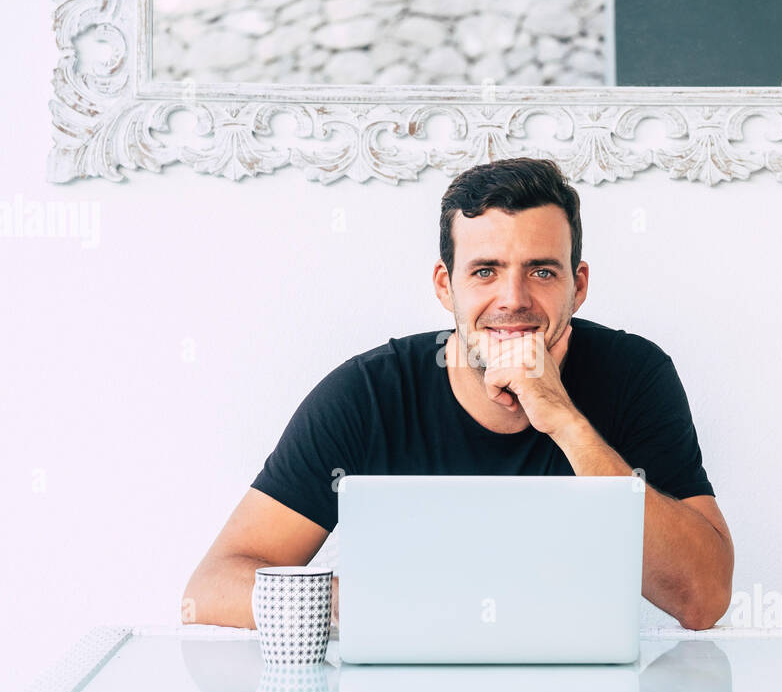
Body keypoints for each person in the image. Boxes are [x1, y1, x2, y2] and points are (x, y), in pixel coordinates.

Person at [182, 157, 733, 630]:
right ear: (446, 285)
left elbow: (702, 599)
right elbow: (211, 589)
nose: (511, 299)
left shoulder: (635, 376)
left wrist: (566, 422)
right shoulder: (368, 394)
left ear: (578, 285)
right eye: (485, 271)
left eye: (541, 271)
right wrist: (379, 607)